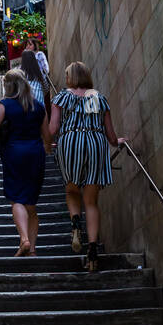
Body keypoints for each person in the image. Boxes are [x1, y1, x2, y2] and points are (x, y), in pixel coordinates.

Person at [48, 60, 125, 272]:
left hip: (70, 143)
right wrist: (117, 141)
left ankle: (75, 225)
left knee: (72, 190)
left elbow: (53, 128)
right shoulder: (98, 98)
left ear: (70, 78)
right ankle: (92, 250)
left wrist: (46, 141)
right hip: (95, 144)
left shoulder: (62, 97)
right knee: (91, 202)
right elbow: (111, 135)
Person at [0, 69, 51, 256]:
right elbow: (47, 136)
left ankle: (24, 239)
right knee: (31, 203)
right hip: (35, 153)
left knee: (17, 198)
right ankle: (32, 249)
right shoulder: (38, 106)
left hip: (14, 153)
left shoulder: (4, 105)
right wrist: (47, 148)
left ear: (8, 86)